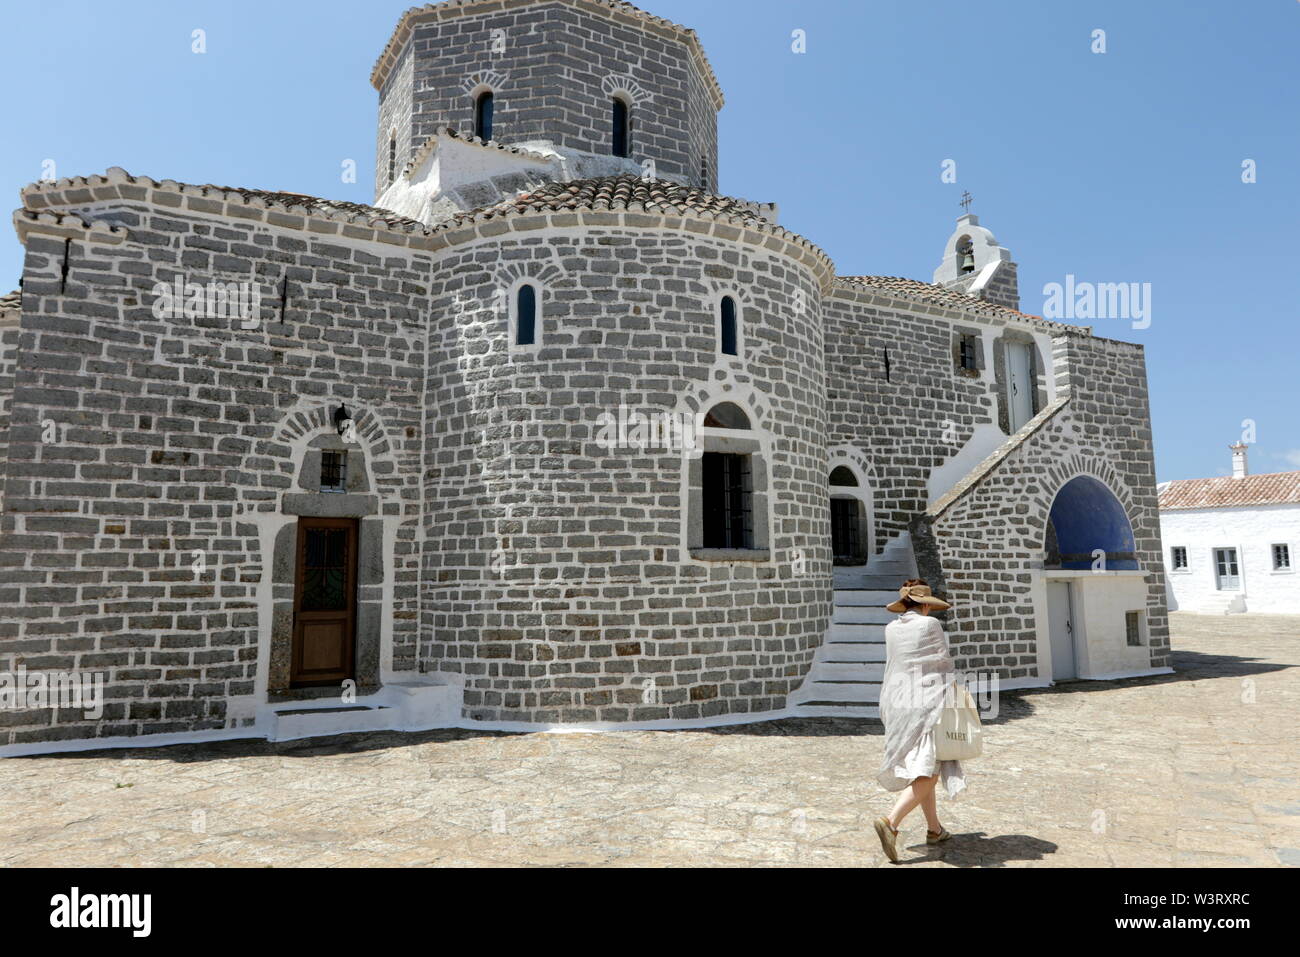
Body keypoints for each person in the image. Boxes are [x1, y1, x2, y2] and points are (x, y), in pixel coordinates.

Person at [872, 579, 966, 863]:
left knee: (922, 766)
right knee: (930, 770)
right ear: (926, 605)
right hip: (925, 702)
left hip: (896, 700)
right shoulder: (930, 625)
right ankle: (891, 822)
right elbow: (942, 662)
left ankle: (934, 830)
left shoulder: (890, 629)